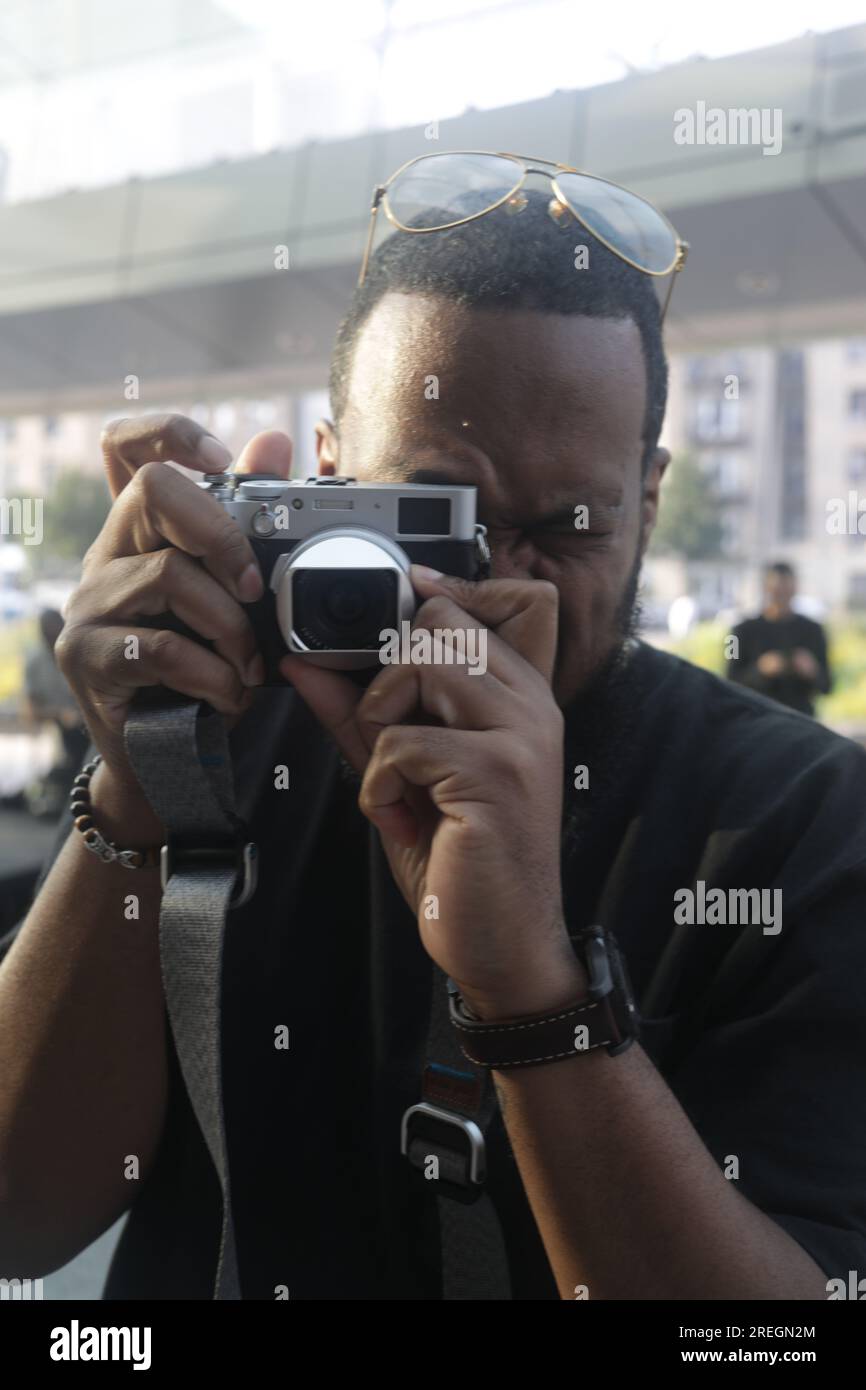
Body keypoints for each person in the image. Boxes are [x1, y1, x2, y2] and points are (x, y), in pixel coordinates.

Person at [1, 180, 864, 1302]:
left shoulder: (797, 814)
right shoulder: (218, 721)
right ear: (318, 476)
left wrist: (528, 984)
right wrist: (134, 785)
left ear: (648, 502)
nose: (498, 582)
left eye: (569, 527)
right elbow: (20, 1216)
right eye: (428, 515)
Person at [728, 562, 832, 716]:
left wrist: (812, 670)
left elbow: (828, 686)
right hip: (756, 720)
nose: (782, 596)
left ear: (795, 589)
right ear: (766, 589)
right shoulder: (736, 633)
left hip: (800, 719)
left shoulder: (815, 630)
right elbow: (727, 682)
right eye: (776, 590)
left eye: (787, 590)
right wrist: (760, 669)